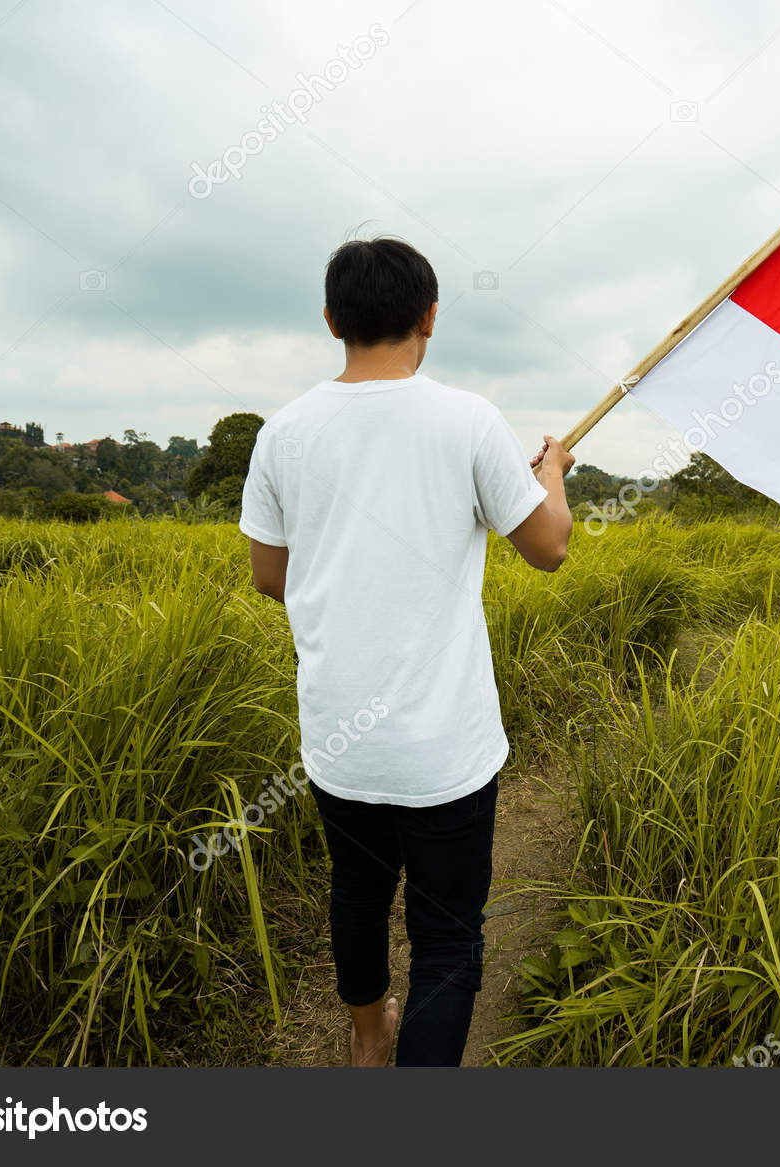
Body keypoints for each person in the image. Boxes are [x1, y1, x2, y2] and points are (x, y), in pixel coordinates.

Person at [239, 236, 574, 1066]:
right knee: (448, 935)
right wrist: (554, 470)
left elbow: (269, 578)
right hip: (444, 750)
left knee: (355, 892)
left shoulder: (283, 432)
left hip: (339, 736)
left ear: (330, 321)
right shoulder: (468, 420)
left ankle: (366, 1037)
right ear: (430, 317)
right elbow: (549, 547)